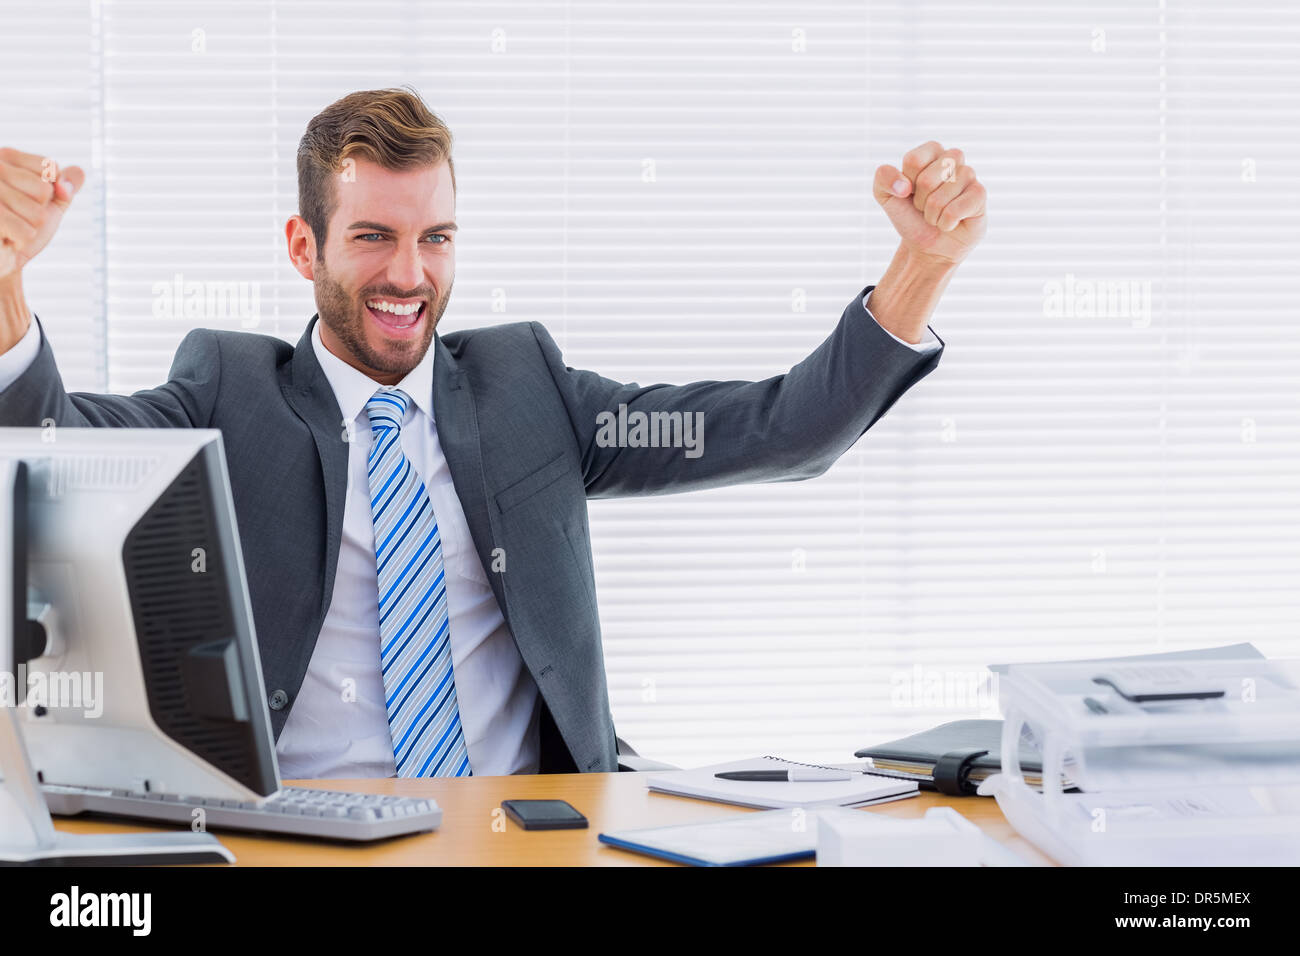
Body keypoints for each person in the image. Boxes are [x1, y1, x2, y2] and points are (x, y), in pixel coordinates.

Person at [0, 88, 986, 778]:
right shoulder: (231, 392)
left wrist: (920, 268)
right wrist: (5, 287)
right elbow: (47, 449)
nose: (408, 275)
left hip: (527, 835)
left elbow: (783, 428)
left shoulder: (529, 393)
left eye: (434, 237)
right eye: (373, 236)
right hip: (299, 839)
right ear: (303, 246)